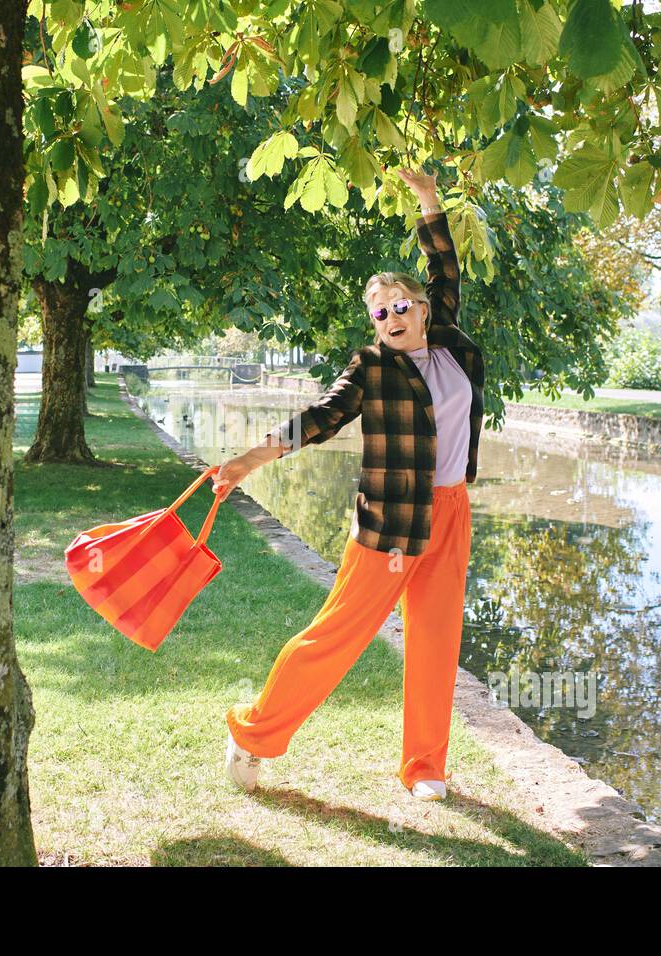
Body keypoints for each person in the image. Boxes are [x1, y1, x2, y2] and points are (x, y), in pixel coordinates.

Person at [208, 166, 485, 801]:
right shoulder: (370, 367)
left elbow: (445, 266)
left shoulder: (449, 346)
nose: (389, 316)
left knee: (438, 642)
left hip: (450, 512)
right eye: (378, 310)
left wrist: (427, 200)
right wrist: (249, 459)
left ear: (422, 308)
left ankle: (425, 767)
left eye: (399, 305)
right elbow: (319, 418)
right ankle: (254, 733)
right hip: (389, 521)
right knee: (338, 634)